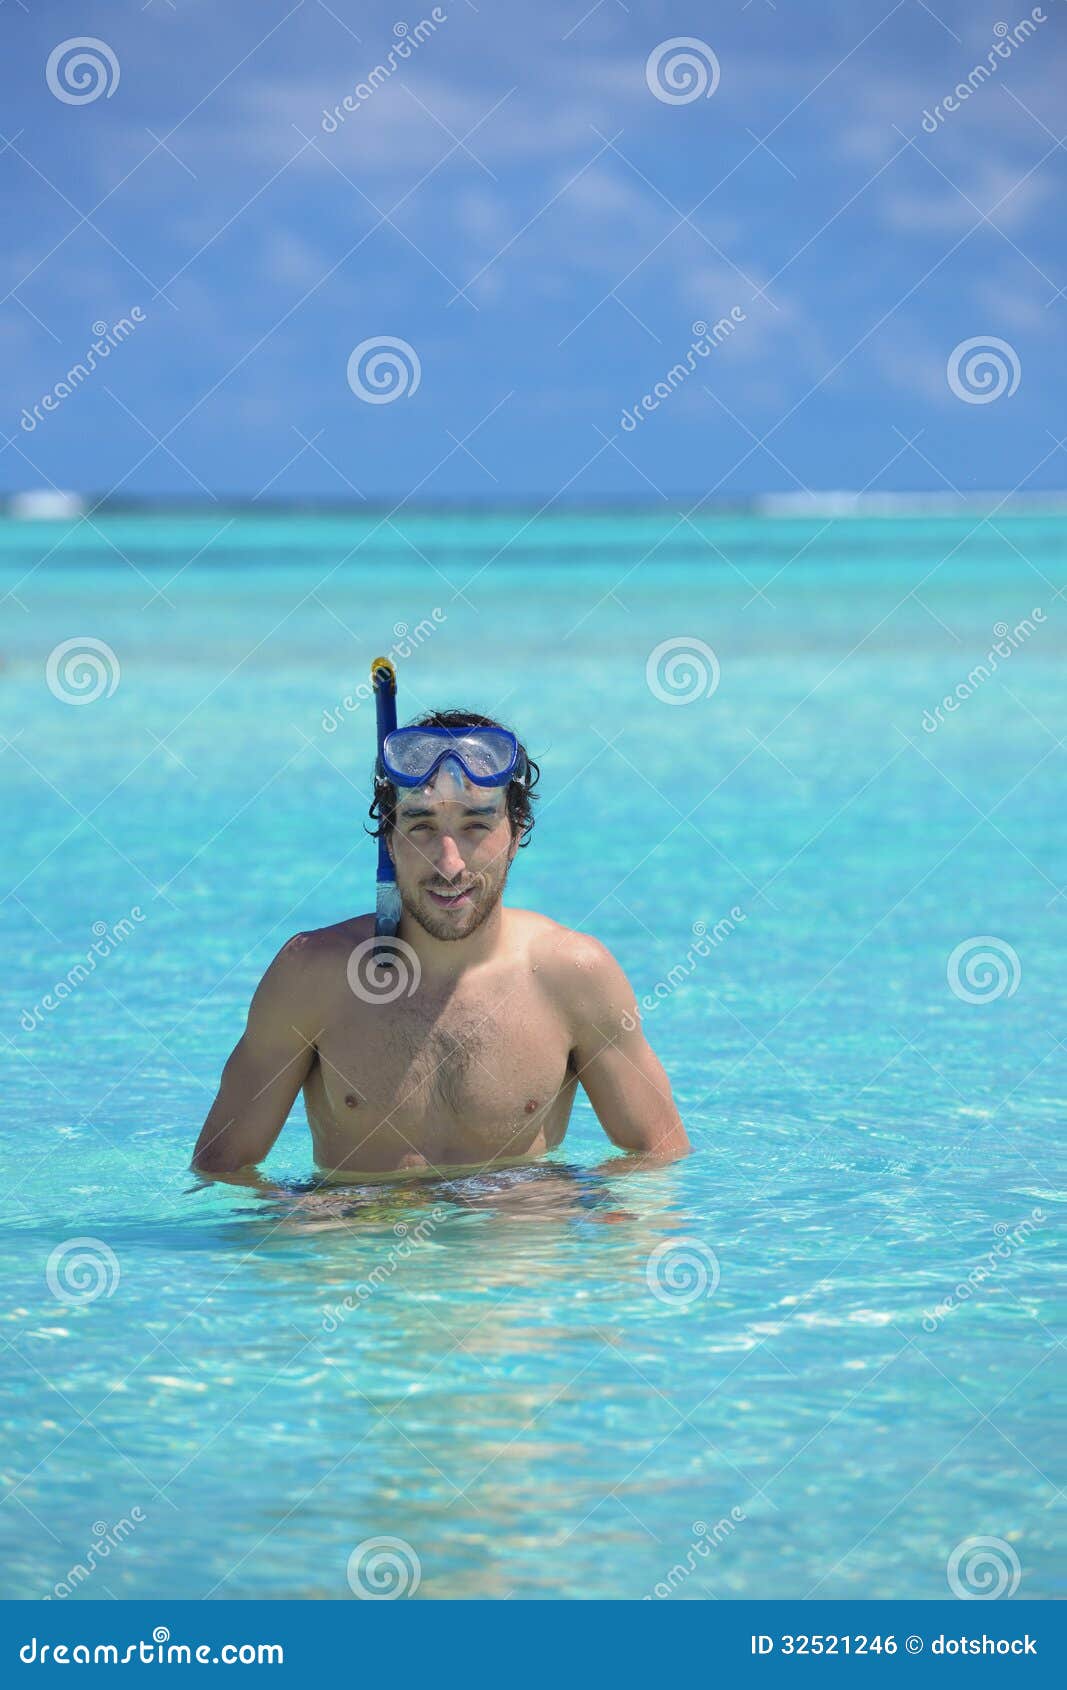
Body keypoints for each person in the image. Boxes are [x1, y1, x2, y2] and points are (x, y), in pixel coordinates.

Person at [192, 710, 690, 1180]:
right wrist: (307, 1219)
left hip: (516, 1260)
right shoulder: (312, 976)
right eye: (422, 826)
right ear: (388, 839)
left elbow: (661, 1160)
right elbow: (219, 1172)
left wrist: (573, 1199)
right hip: (360, 1256)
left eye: (476, 825)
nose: (448, 864)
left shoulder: (575, 975)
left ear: (517, 833)